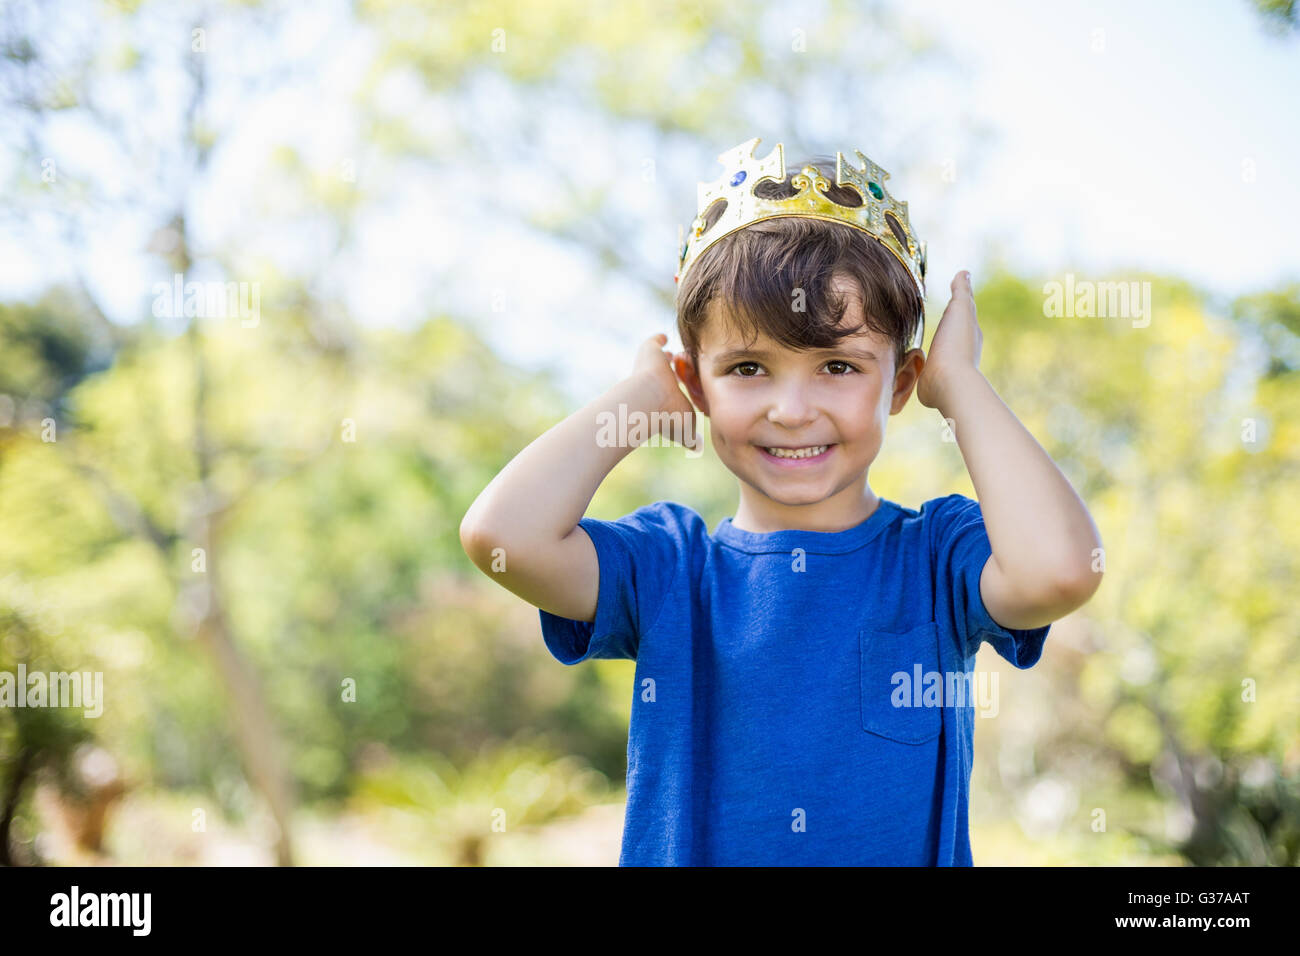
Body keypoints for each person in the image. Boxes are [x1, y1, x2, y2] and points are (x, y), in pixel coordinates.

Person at [459, 138, 1104, 865]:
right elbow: (499, 535)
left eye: (837, 365)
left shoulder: (935, 558)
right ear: (697, 386)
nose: (792, 410)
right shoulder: (669, 568)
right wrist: (642, 399)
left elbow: (1062, 570)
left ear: (899, 384)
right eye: (747, 368)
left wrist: (960, 386)